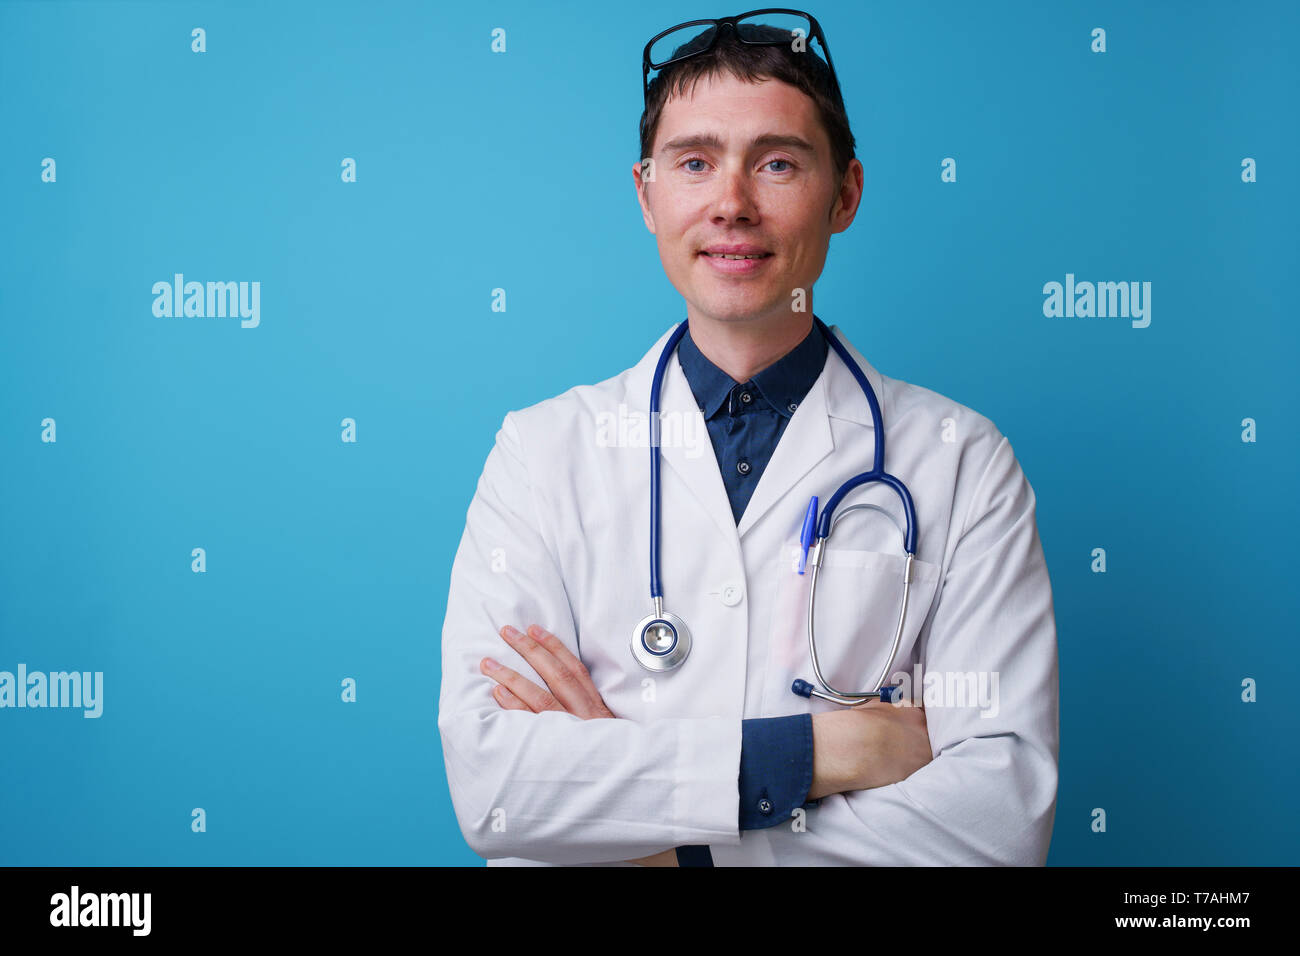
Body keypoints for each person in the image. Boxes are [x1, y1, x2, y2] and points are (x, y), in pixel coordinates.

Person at [437, 10, 1059, 866]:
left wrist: (663, 846)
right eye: (695, 162)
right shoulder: (541, 453)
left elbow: (999, 822)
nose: (731, 204)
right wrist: (823, 754)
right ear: (646, 194)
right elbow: (496, 789)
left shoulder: (962, 459)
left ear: (844, 194)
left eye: (777, 163)